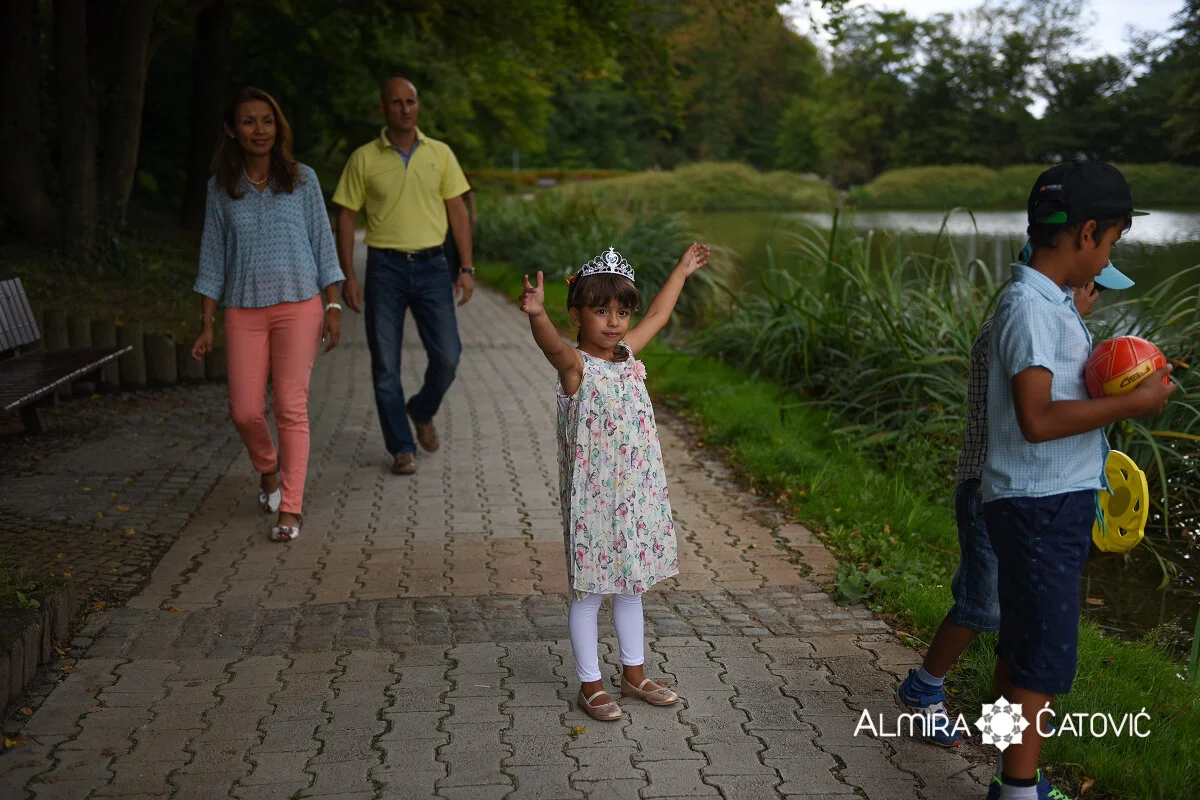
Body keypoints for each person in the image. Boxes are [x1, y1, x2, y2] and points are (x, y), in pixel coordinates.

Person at [979, 162, 1173, 800]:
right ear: (1088, 232)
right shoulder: (1030, 308)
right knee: (1041, 656)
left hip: (1041, 500)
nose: (1111, 253)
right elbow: (1036, 419)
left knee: (1020, 645)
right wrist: (1133, 405)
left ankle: (1004, 768)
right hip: (1039, 506)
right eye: (1113, 241)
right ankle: (1018, 788)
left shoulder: (1046, 300)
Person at [897, 247, 1137, 748]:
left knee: (1014, 614)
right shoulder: (1017, 327)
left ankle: (1002, 728)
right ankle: (924, 687)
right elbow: (1040, 411)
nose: (1093, 295)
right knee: (981, 604)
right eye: (1091, 286)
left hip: (1013, 491)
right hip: (991, 488)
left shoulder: (1049, 326)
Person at [520, 243, 710, 721]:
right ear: (577, 314)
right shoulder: (577, 368)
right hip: (592, 502)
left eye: (622, 312)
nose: (613, 322)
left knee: (631, 588)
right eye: (600, 311)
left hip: (637, 497)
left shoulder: (628, 356)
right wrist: (537, 315)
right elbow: (551, 346)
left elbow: (662, 314)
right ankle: (589, 685)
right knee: (589, 592)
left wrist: (681, 270)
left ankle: (634, 674)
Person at [190, 87, 344, 542]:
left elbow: (323, 244)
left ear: (278, 128)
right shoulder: (220, 188)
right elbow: (212, 257)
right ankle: (268, 466)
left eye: (267, 121)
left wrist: (332, 304)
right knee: (243, 410)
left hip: (299, 305)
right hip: (242, 308)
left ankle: (290, 508)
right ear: (231, 130)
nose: (260, 130)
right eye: (249, 121)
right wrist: (206, 322)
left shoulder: (302, 179)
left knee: (290, 407)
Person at [332, 77, 474, 475]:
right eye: (396, 102)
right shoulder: (364, 158)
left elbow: (458, 212)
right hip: (385, 270)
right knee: (385, 367)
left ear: (418, 105)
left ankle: (421, 408)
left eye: (411, 101)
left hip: (433, 267)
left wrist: (466, 267)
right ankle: (400, 446)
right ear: (383, 109)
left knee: (448, 356)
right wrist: (348, 275)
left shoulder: (440, 153)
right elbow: (346, 217)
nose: (405, 108)